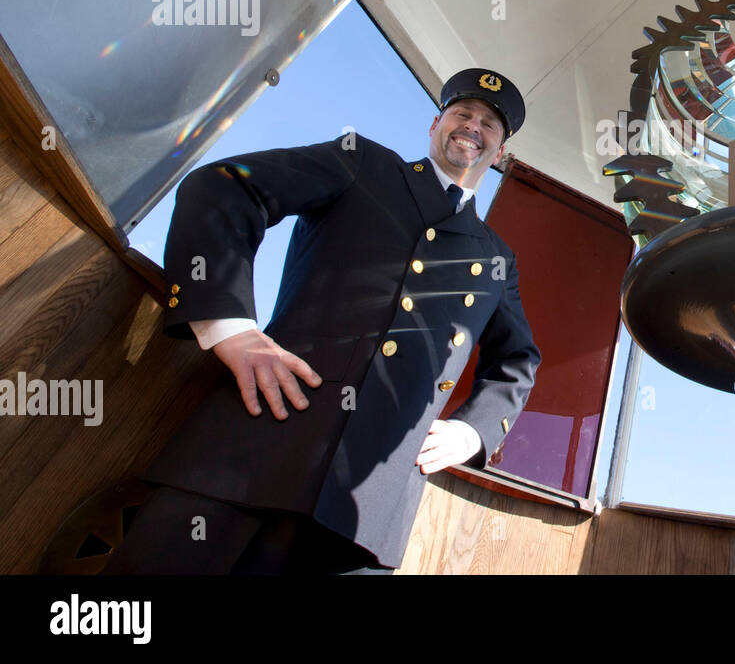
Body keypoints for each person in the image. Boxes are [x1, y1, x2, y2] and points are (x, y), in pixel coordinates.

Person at [104, 68, 540, 574]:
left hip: (364, 514)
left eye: (489, 123)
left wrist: (472, 431)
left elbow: (518, 358)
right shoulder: (362, 163)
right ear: (434, 125)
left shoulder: (497, 259)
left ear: (500, 152)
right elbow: (224, 188)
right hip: (258, 448)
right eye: (462, 113)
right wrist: (230, 327)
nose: (473, 126)